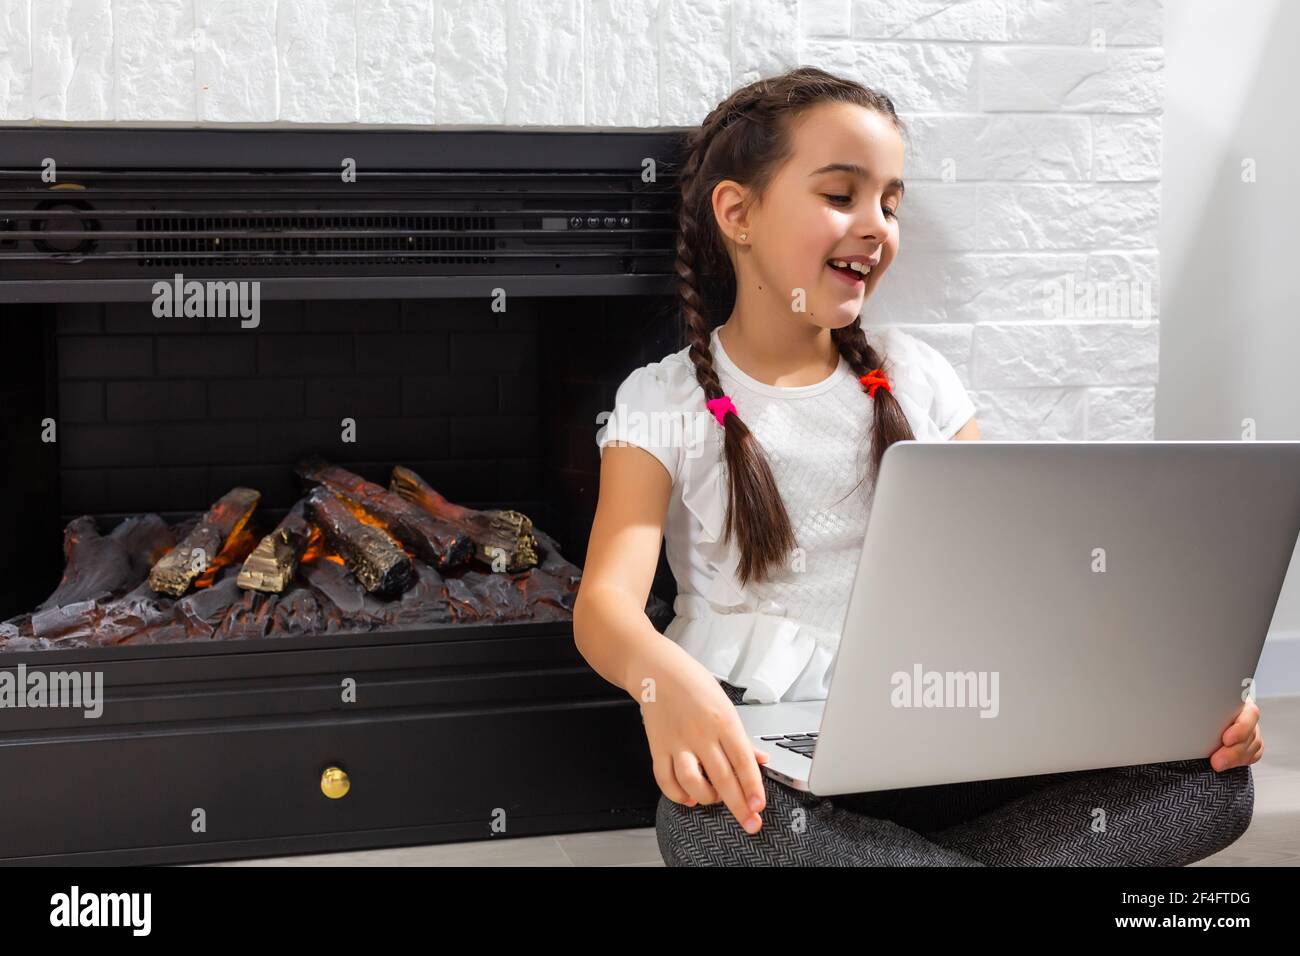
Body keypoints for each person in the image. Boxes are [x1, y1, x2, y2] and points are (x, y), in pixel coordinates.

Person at [571, 66, 1261, 866]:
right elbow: (604, 607)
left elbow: (1018, 574)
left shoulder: (918, 375)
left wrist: (1176, 701)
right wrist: (666, 683)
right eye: (841, 195)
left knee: (1212, 782)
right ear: (738, 212)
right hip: (784, 757)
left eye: (891, 204)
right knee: (710, 831)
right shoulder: (664, 399)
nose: (876, 225)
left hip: (945, 731)